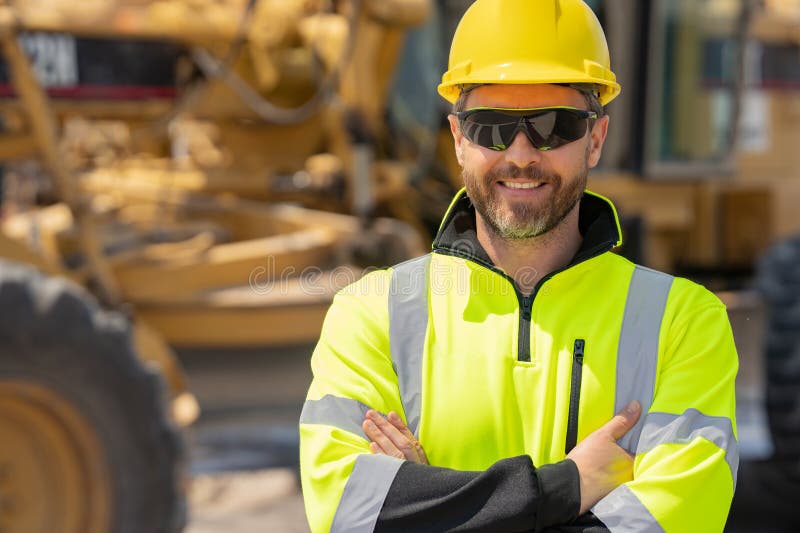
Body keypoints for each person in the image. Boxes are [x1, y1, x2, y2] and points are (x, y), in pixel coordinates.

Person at [299, 0, 738, 531]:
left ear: (595, 139)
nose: (522, 153)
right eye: (491, 127)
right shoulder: (371, 315)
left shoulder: (683, 324)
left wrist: (433, 505)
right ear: (459, 139)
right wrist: (566, 487)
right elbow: (348, 512)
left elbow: (677, 523)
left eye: (554, 125)